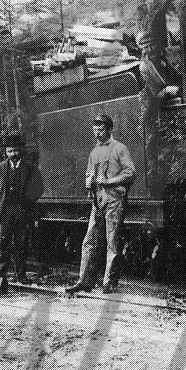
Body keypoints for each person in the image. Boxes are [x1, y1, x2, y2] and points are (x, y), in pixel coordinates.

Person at [66, 114, 135, 295]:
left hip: (114, 200)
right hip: (97, 202)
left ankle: (109, 283)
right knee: (89, 241)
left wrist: (110, 181)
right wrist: (88, 180)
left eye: (101, 129)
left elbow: (131, 173)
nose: (97, 133)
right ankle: (84, 281)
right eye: (95, 129)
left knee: (112, 242)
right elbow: (90, 173)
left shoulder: (119, 148)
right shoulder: (94, 152)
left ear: (109, 129)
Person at [0, 132, 43, 291]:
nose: (13, 154)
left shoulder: (30, 168)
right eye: (9, 151)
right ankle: (1, 278)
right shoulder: (0, 168)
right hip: (5, 212)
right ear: (5, 152)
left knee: (21, 244)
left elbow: (38, 188)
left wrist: (27, 202)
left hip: (22, 211)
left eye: (15, 150)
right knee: (3, 246)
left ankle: (21, 276)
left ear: (21, 150)